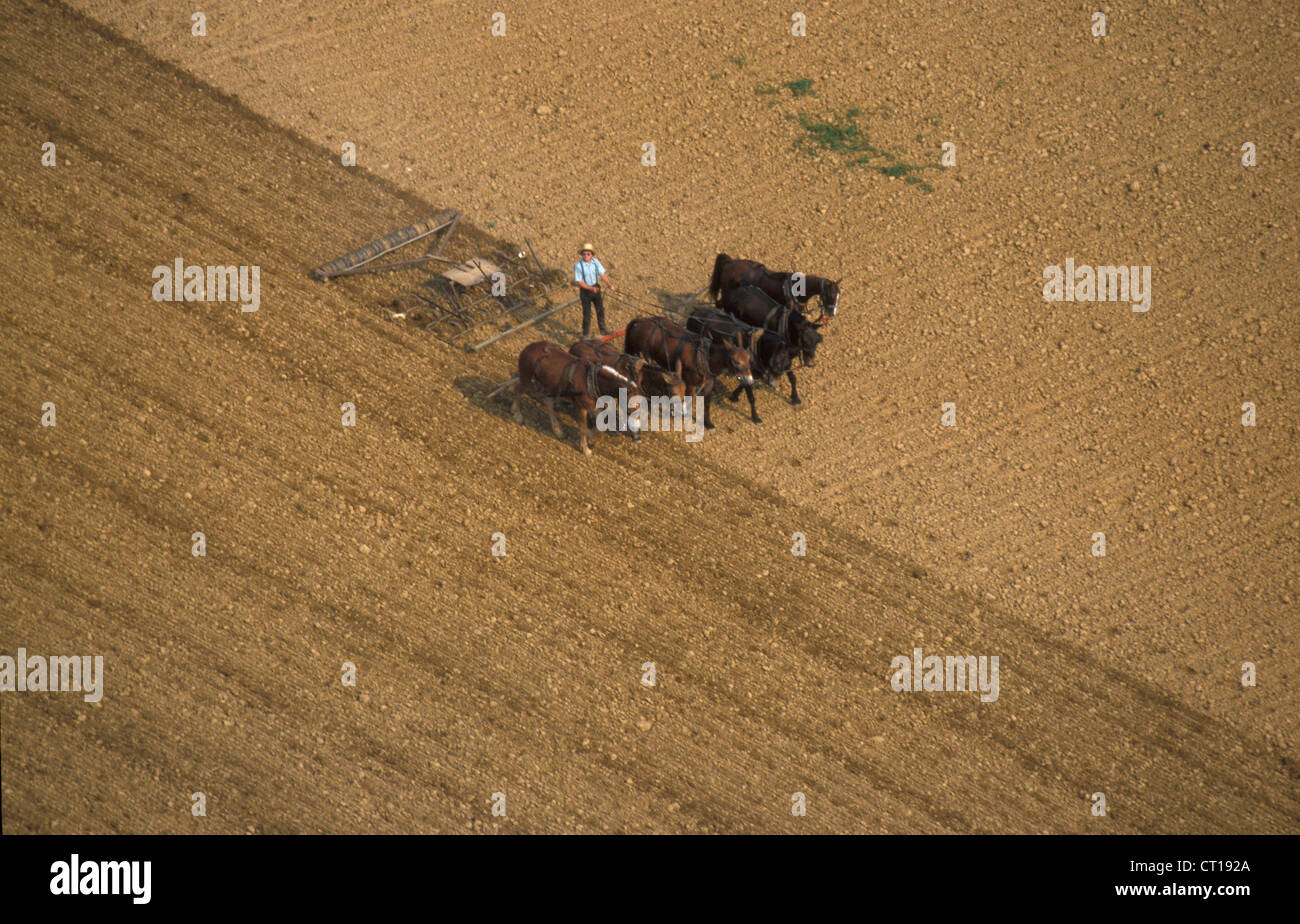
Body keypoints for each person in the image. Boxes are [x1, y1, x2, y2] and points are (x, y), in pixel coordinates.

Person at [574, 243, 616, 337]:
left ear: (591, 254)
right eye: (584, 254)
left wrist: (609, 285)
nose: (586, 256)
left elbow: (602, 274)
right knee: (587, 314)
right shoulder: (578, 266)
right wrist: (591, 288)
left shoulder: (596, 262)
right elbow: (579, 282)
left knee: (600, 310)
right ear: (581, 255)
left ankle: (603, 330)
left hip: (595, 288)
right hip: (585, 291)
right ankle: (585, 335)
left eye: (588, 254)